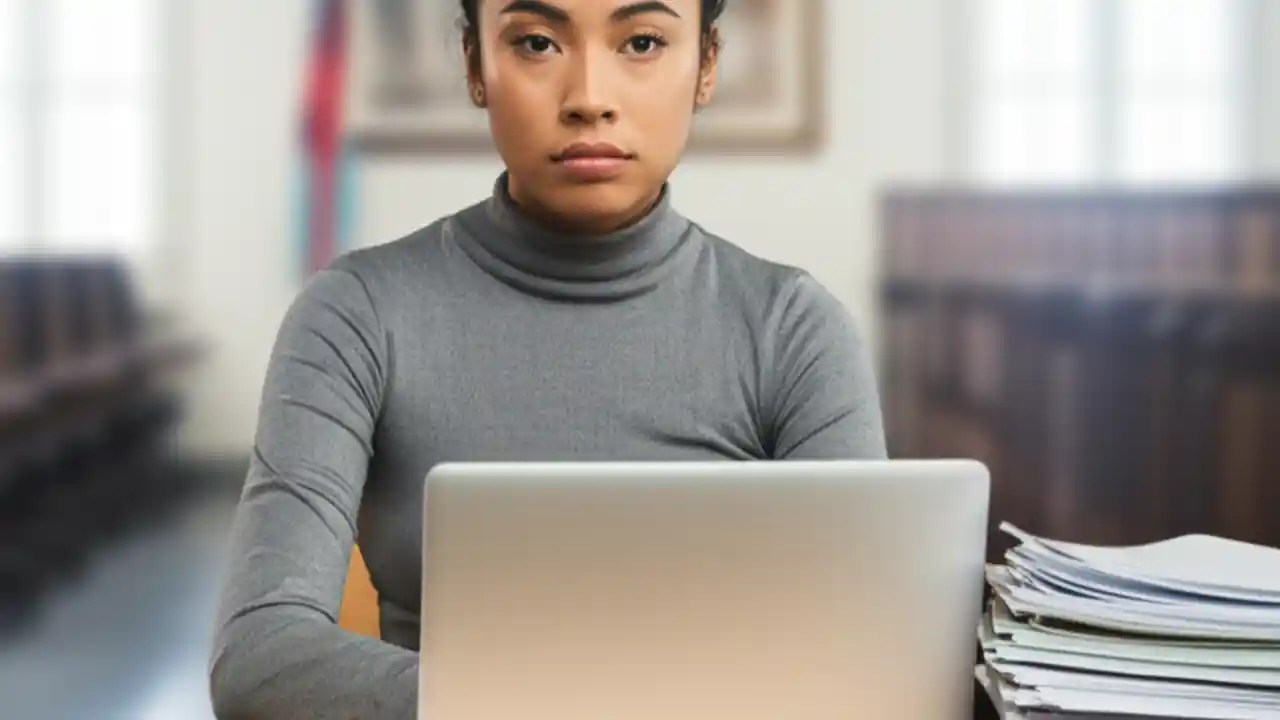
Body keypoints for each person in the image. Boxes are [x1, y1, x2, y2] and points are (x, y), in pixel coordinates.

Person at [208, 0, 886, 717]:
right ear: (476, 65)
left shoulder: (796, 330)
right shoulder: (355, 314)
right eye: (536, 42)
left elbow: (867, 652)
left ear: (706, 65)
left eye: (644, 42)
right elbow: (260, 654)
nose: (590, 99)